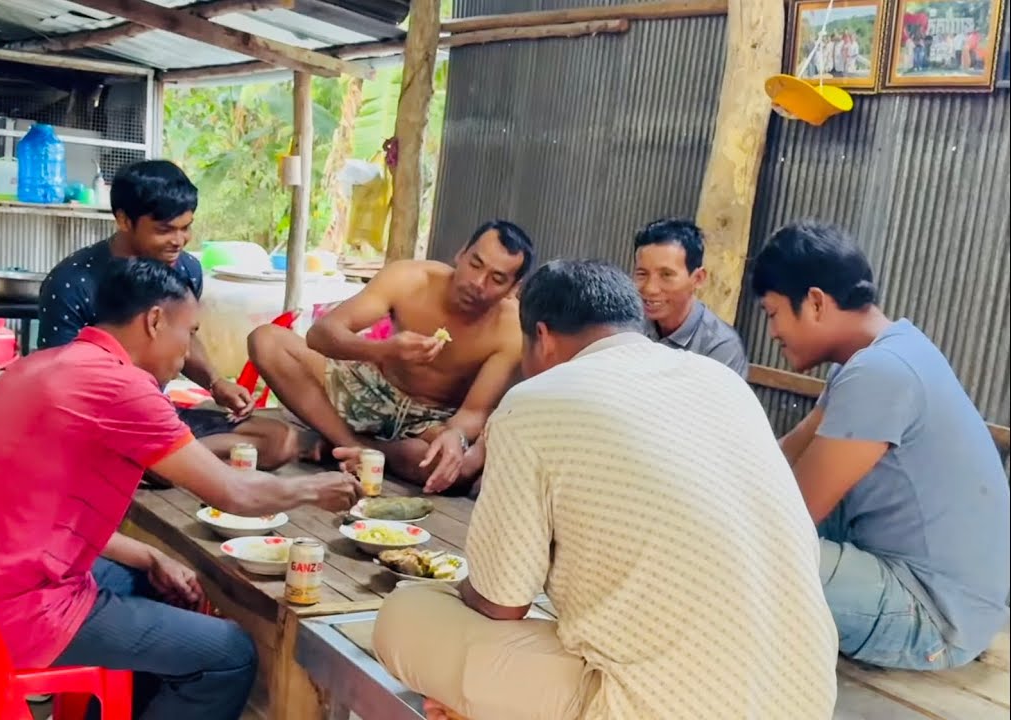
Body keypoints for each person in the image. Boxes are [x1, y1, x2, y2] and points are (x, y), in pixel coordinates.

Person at [373, 260, 838, 720]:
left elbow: (500, 604)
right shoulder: (722, 382)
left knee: (405, 614)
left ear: (544, 337)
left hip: (659, 707)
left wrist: (461, 598)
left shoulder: (535, 401)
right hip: (805, 695)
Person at [0, 257, 361, 720]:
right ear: (154, 321)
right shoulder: (122, 387)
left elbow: (45, 517)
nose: (188, 350)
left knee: (162, 586)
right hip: (11, 612)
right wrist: (316, 489)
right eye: (190, 331)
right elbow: (236, 495)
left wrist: (151, 555)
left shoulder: (50, 362)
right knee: (229, 655)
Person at [752, 221, 1010, 670]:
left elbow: (792, 513)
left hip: (935, 617)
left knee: (743, 552)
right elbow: (787, 452)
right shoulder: (881, 355)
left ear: (814, 302)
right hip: (951, 599)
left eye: (772, 313)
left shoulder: (880, 372)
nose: (772, 332)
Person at [39, 160, 299, 469]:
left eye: (186, 227)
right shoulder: (73, 281)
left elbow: (183, 337)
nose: (178, 240)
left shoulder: (186, 269)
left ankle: (163, 462)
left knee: (279, 441)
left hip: (158, 418)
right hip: (99, 424)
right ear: (124, 220)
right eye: (164, 230)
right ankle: (167, 462)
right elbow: (58, 388)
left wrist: (216, 382)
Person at [247, 220, 532, 494]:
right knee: (266, 340)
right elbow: (321, 334)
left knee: (453, 468)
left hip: (429, 420)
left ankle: (369, 452)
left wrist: (454, 437)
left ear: (513, 289)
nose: (477, 283)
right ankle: (351, 445)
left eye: (496, 279)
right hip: (368, 386)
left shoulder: (512, 331)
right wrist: (384, 350)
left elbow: (473, 412)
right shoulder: (409, 278)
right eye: (475, 264)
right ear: (460, 254)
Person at [632, 219, 748, 376]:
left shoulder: (720, 347)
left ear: (698, 278)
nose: (650, 288)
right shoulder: (630, 325)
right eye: (642, 274)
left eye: (666, 275)